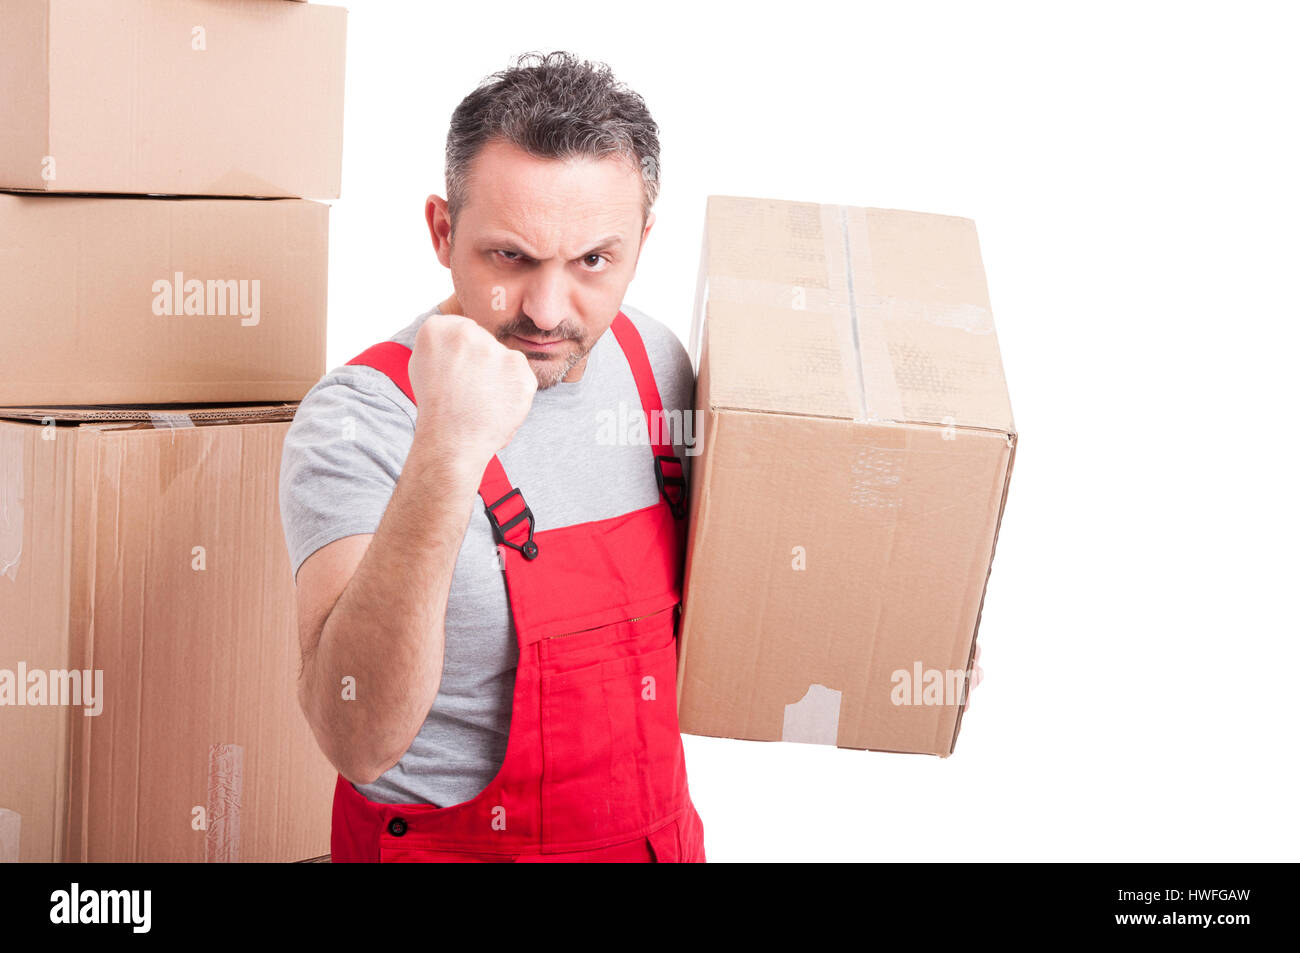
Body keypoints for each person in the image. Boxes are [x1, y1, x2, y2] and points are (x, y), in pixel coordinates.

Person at [279, 50, 706, 862]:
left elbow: (726, 613)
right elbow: (355, 736)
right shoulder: (361, 418)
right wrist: (448, 448)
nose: (547, 310)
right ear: (443, 231)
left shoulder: (661, 367)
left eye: (592, 261)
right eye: (509, 256)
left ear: (643, 242)